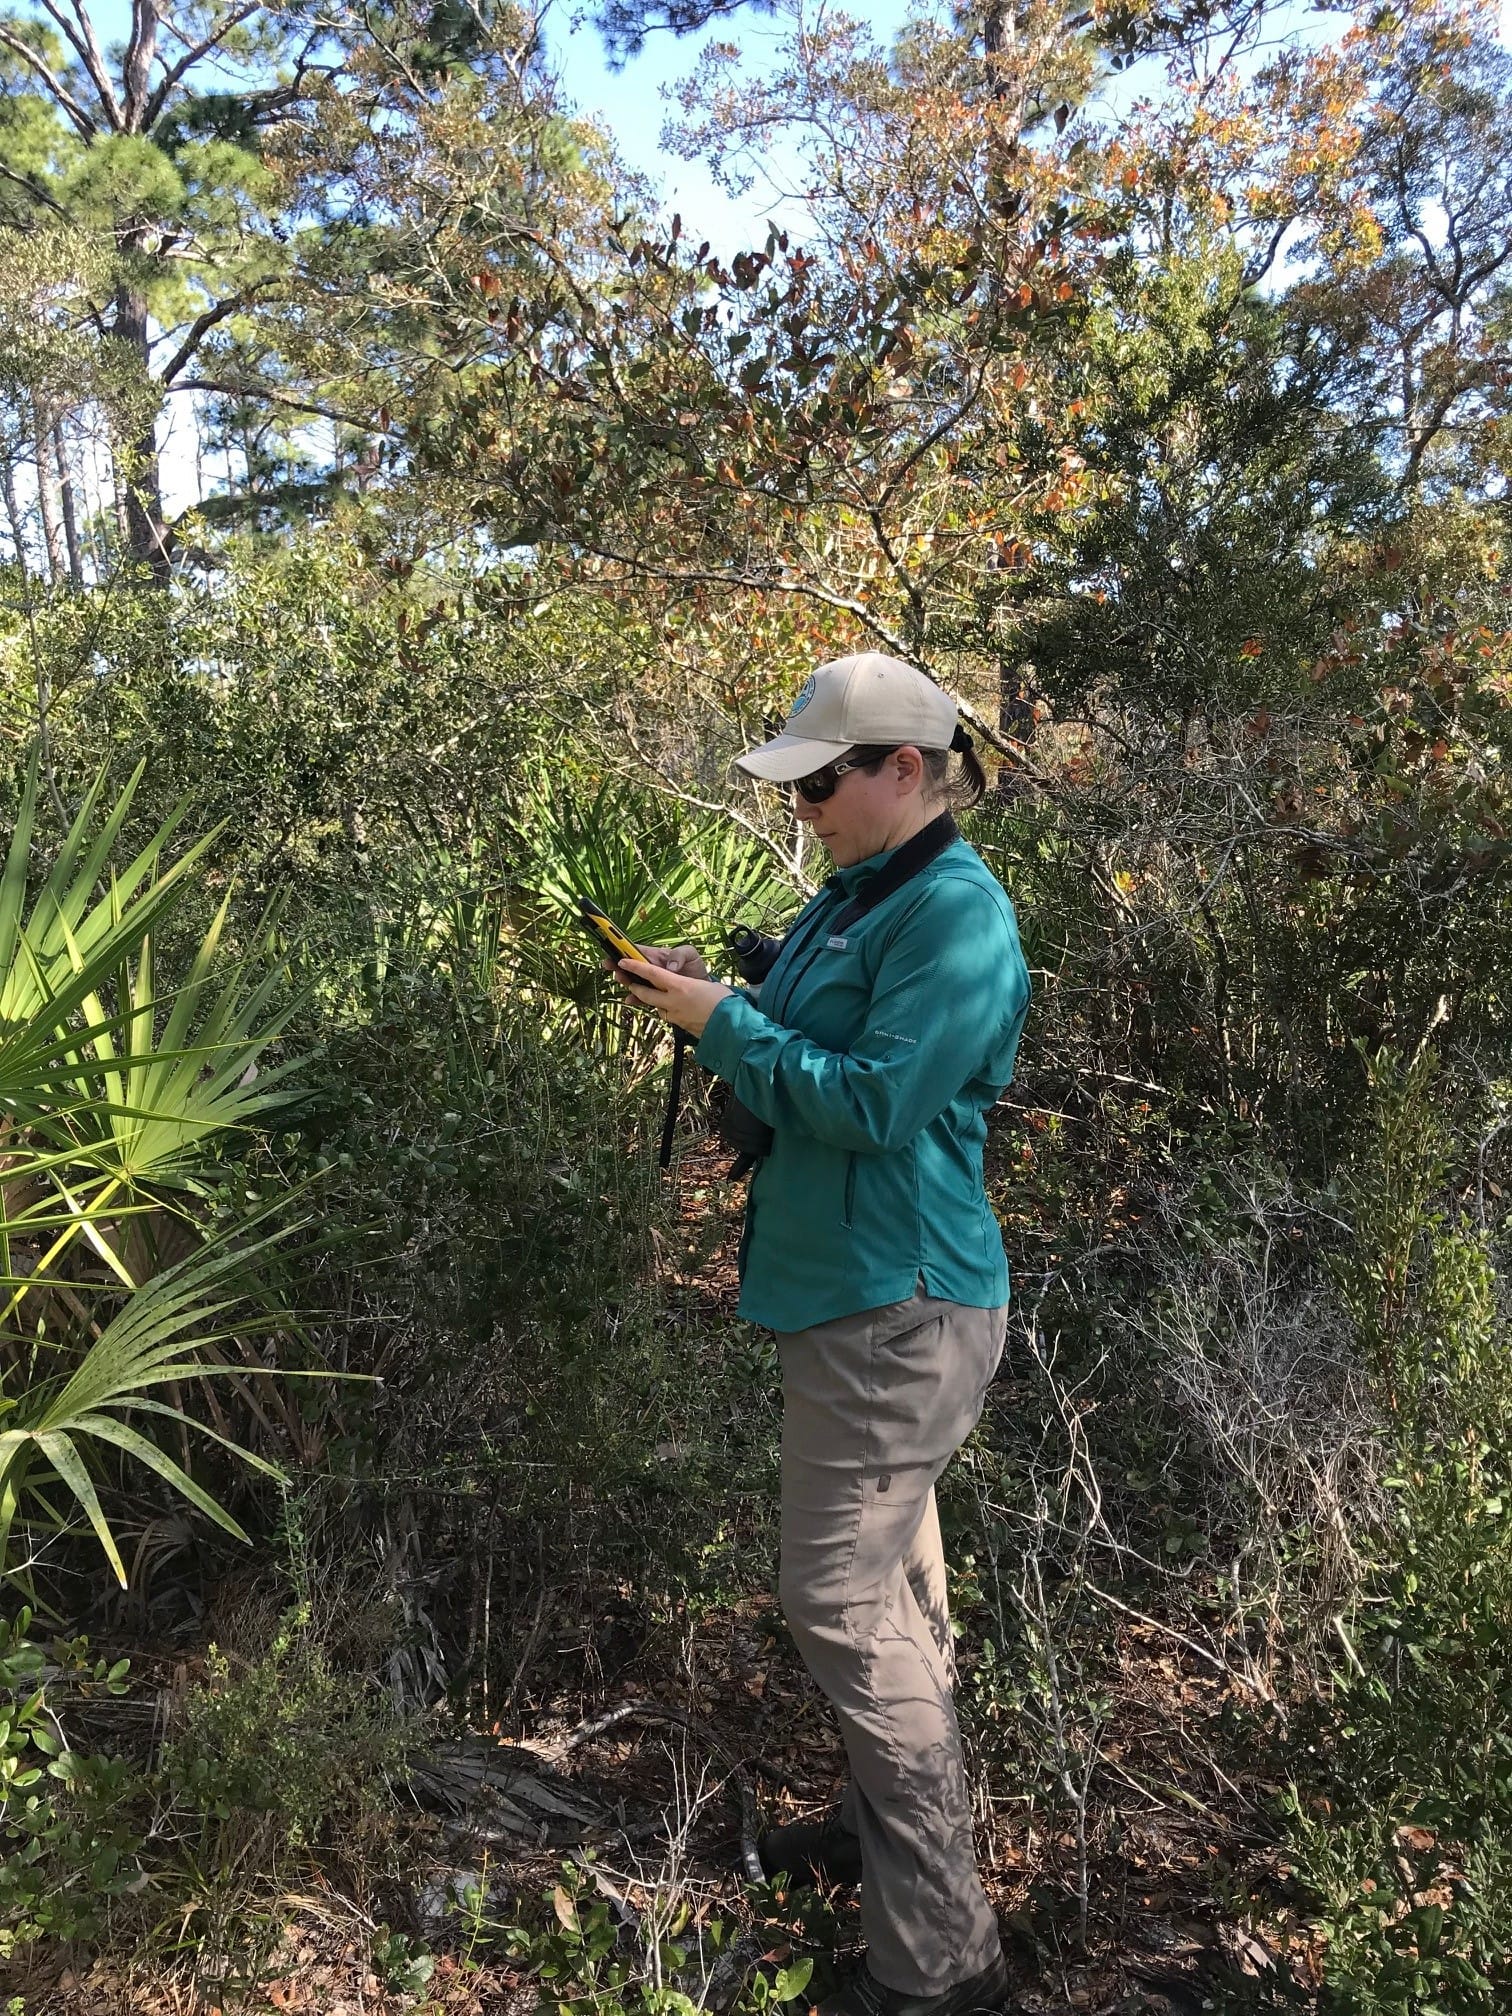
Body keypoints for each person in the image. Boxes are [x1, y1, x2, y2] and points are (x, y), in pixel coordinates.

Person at [615, 652, 1032, 2016]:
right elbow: (806, 1020)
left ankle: (941, 1966)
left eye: (817, 785)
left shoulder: (956, 915)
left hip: (894, 1308)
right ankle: (885, 1838)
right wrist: (712, 990)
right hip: (848, 1296)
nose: (800, 809)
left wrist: (727, 1028)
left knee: (842, 1608)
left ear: (903, 770)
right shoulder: (862, 892)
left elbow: (873, 1105)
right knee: (899, 1599)